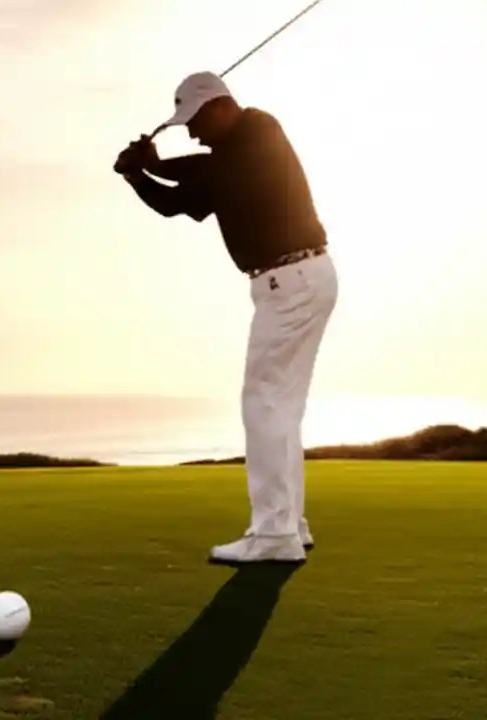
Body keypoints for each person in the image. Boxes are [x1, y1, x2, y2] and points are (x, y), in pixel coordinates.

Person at [113, 71, 338, 564]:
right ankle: (289, 526)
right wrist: (137, 175)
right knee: (281, 407)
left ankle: (275, 535)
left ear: (219, 105)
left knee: (263, 404)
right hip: (297, 281)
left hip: (292, 282)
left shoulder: (259, 130)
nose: (191, 131)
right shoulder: (225, 165)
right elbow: (176, 204)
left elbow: (207, 172)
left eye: (194, 120)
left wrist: (156, 161)